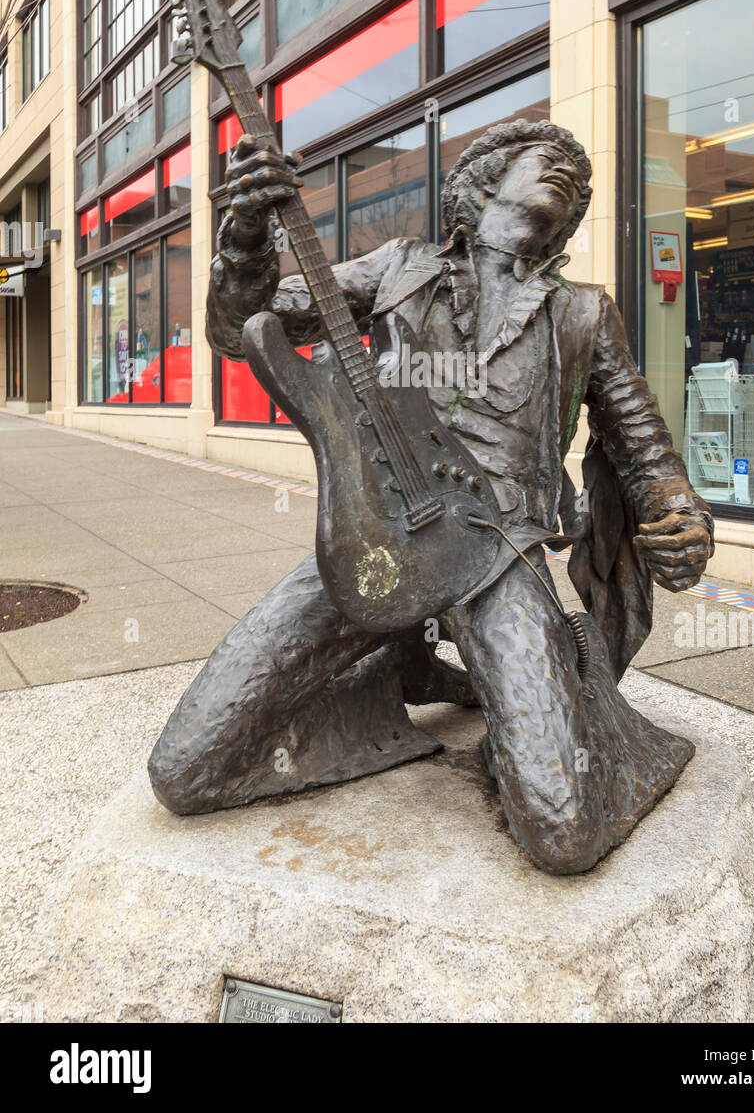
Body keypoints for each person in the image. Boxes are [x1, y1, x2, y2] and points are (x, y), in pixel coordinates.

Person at [149, 119, 713, 874]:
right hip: (381, 544)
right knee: (186, 771)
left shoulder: (582, 310)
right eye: (548, 161)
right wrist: (245, 236)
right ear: (486, 182)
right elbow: (238, 328)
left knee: (563, 830)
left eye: (579, 182)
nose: (569, 178)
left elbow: (645, 447)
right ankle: (378, 694)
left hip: (500, 557)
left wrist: (680, 516)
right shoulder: (398, 267)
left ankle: (497, 689)